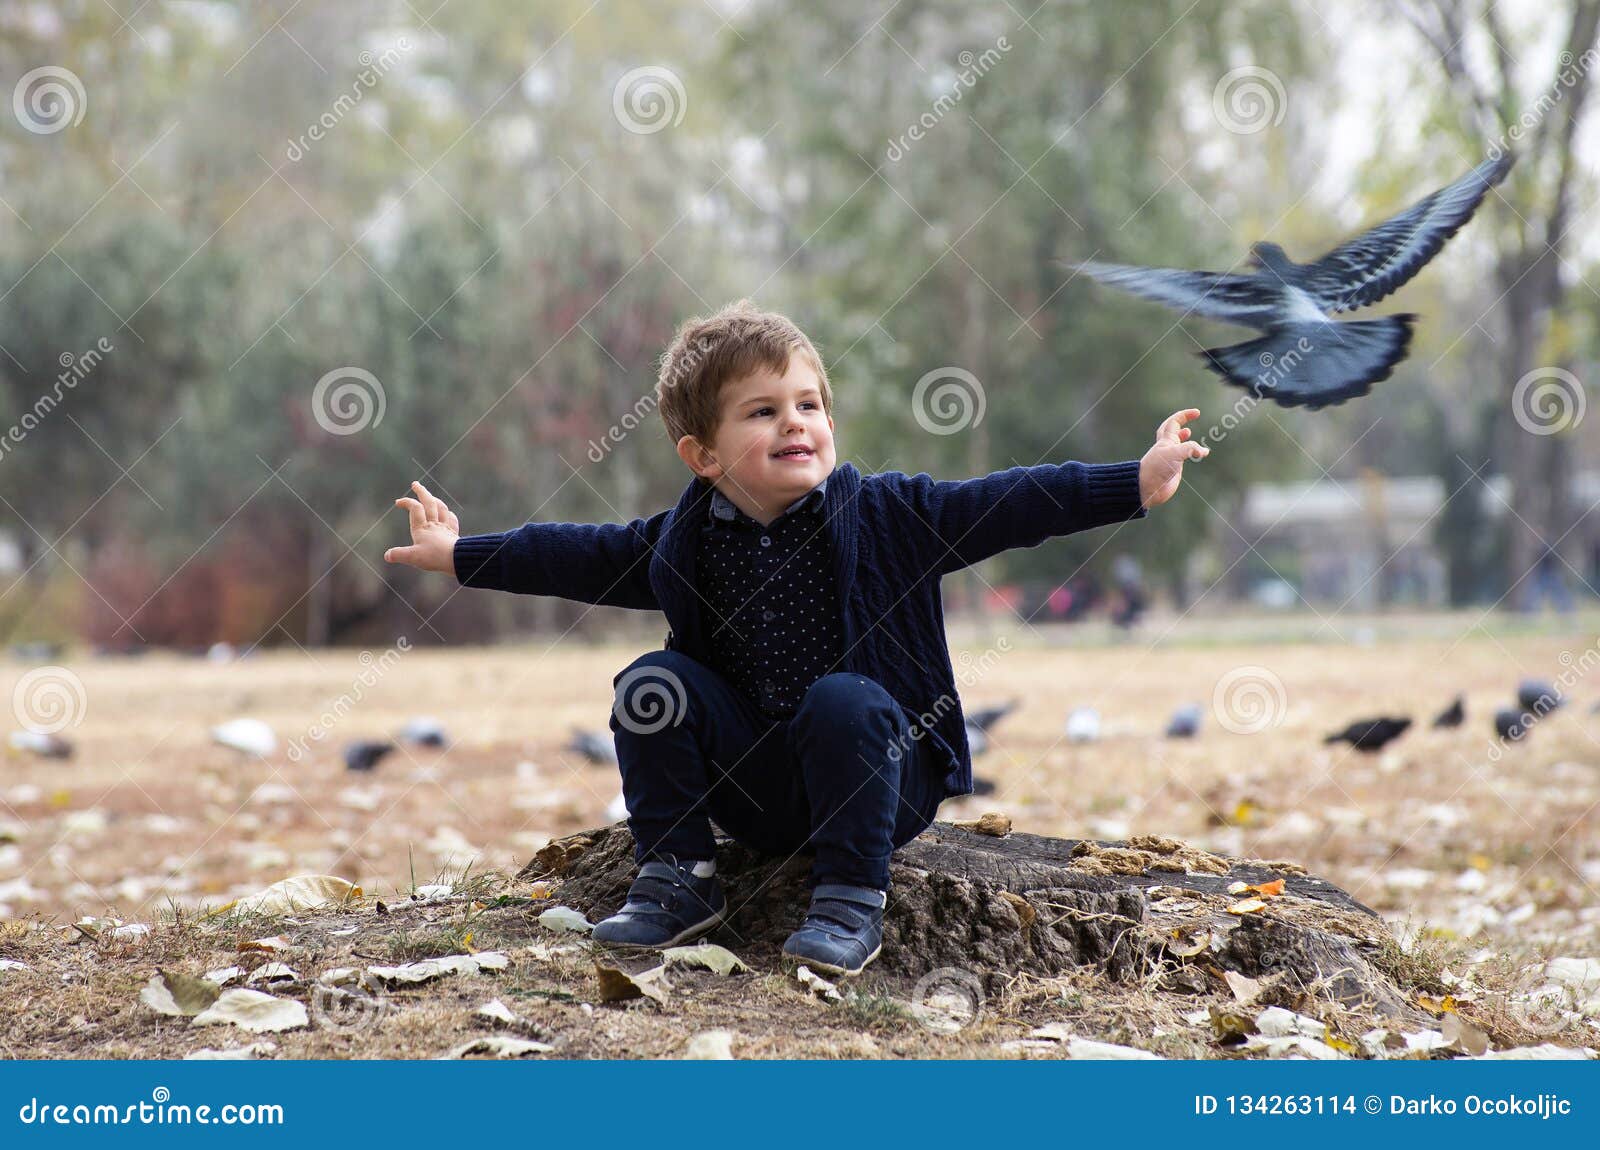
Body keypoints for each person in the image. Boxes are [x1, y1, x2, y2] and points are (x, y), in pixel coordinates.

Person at [384, 300, 1209, 975]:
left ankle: (852, 898)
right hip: (755, 787)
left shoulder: (890, 515)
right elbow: (576, 554)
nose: (796, 424)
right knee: (650, 682)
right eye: (763, 411)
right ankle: (678, 878)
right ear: (702, 454)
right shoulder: (684, 540)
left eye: (809, 405)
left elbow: (1011, 501)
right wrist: (460, 553)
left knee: (843, 700)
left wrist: (1133, 481)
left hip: (881, 769)